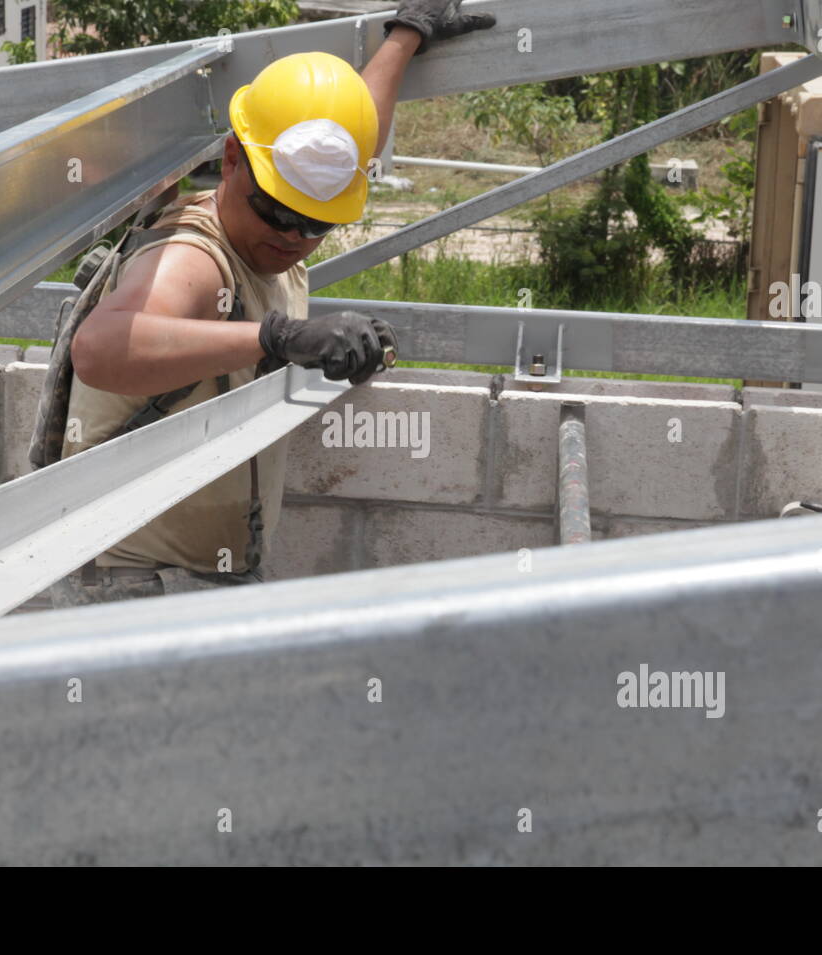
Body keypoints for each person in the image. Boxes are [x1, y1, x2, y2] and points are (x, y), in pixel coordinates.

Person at [48, 0, 496, 607]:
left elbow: (347, 142)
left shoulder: (282, 213)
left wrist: (406, 34)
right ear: (232, 159)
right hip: (134, 587)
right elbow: (99, 350)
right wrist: (277, 340)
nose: (292, 234)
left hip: (203, 577)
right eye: (277, 210)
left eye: (316, 224)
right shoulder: (195, 260)